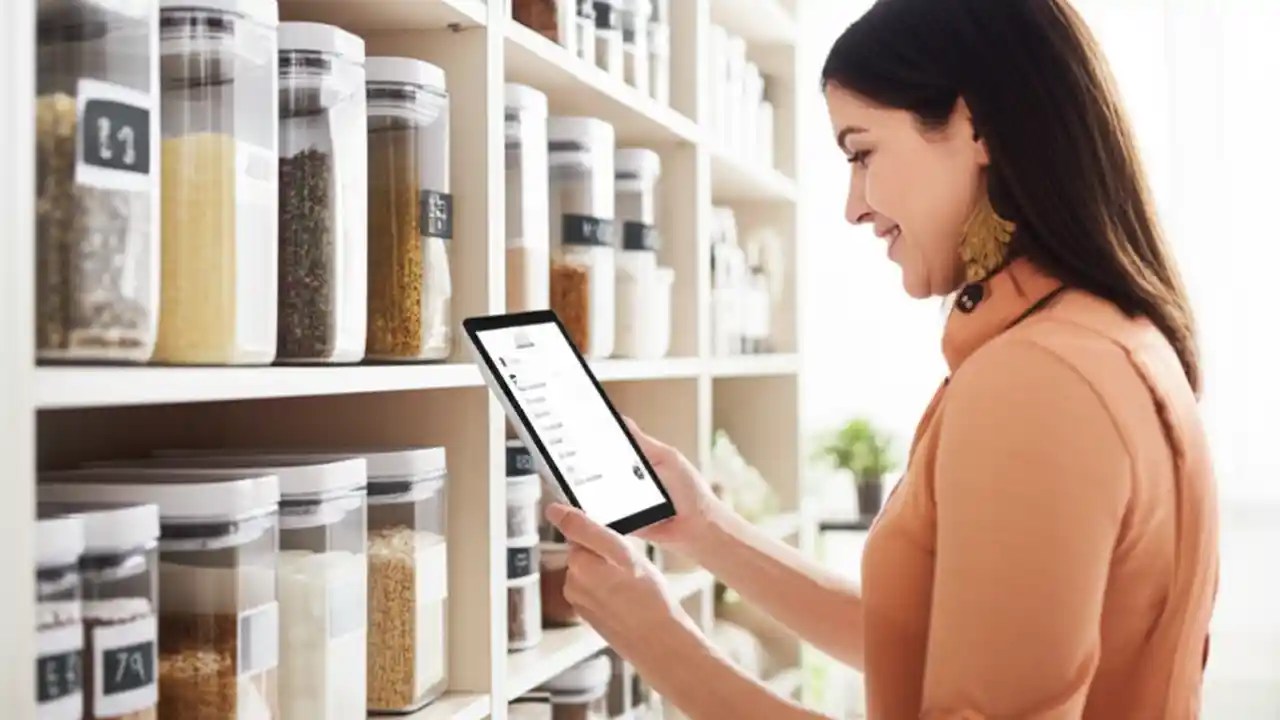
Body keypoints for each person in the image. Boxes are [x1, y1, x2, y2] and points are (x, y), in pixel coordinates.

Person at [544, 0, 1220, 717]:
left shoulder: (1041, 380)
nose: (853, 206)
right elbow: (928, 644)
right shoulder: (1098, 336)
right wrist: (707, 529)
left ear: (977, 125)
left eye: (862, 153)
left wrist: (661, 644)